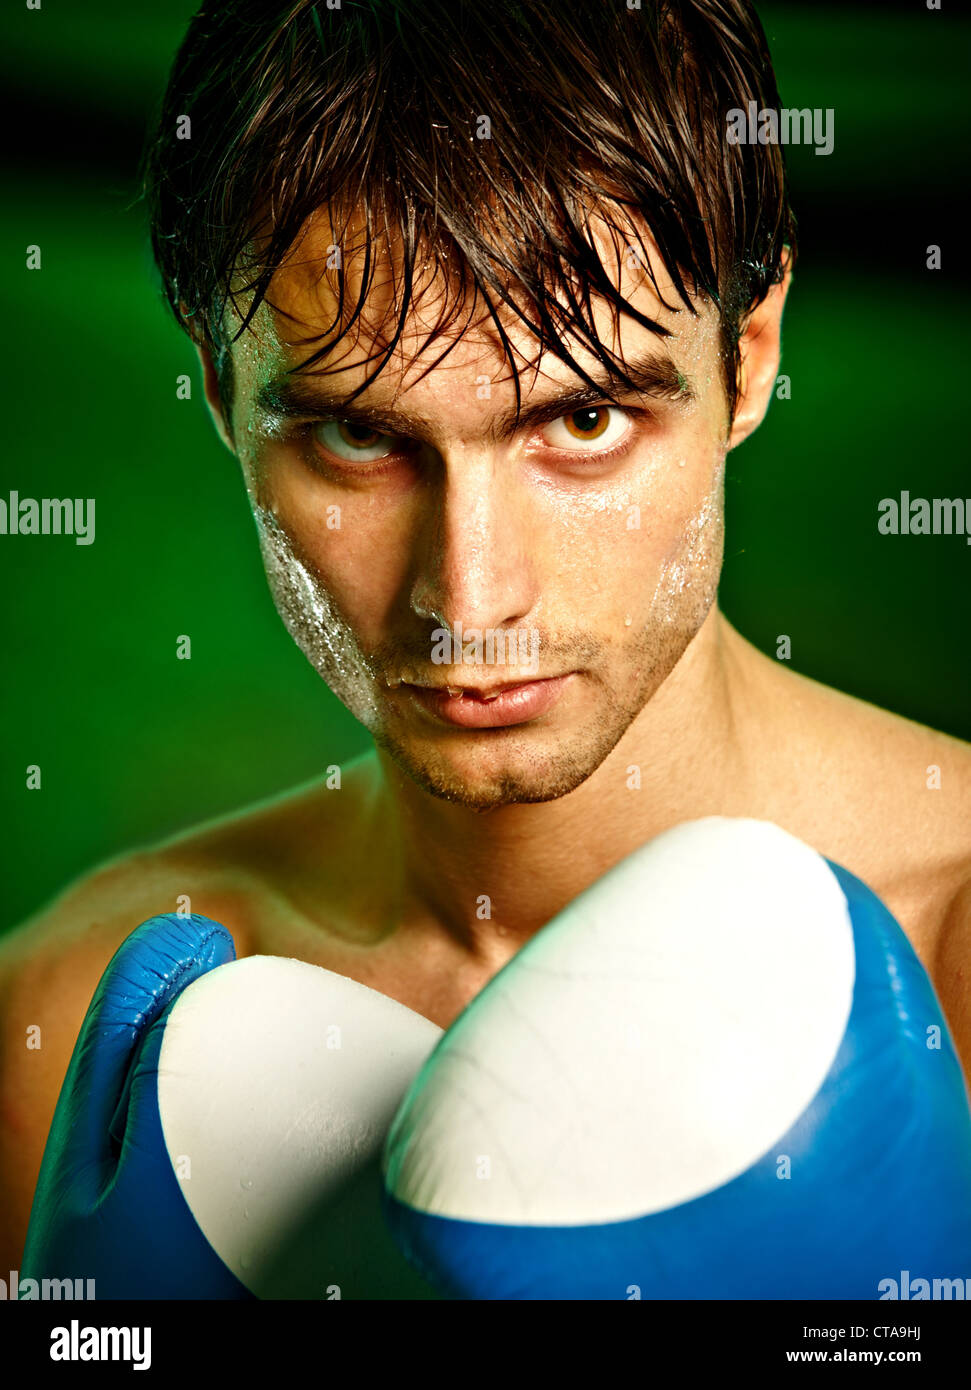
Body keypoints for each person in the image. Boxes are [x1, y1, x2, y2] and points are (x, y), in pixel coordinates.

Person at [1, 0, 969, 1278]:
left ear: (748, 354)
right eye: (359, 436)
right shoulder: (77, 1045)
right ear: (218, 391)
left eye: (581, 426)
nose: (472, 598)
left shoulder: (947, 956)